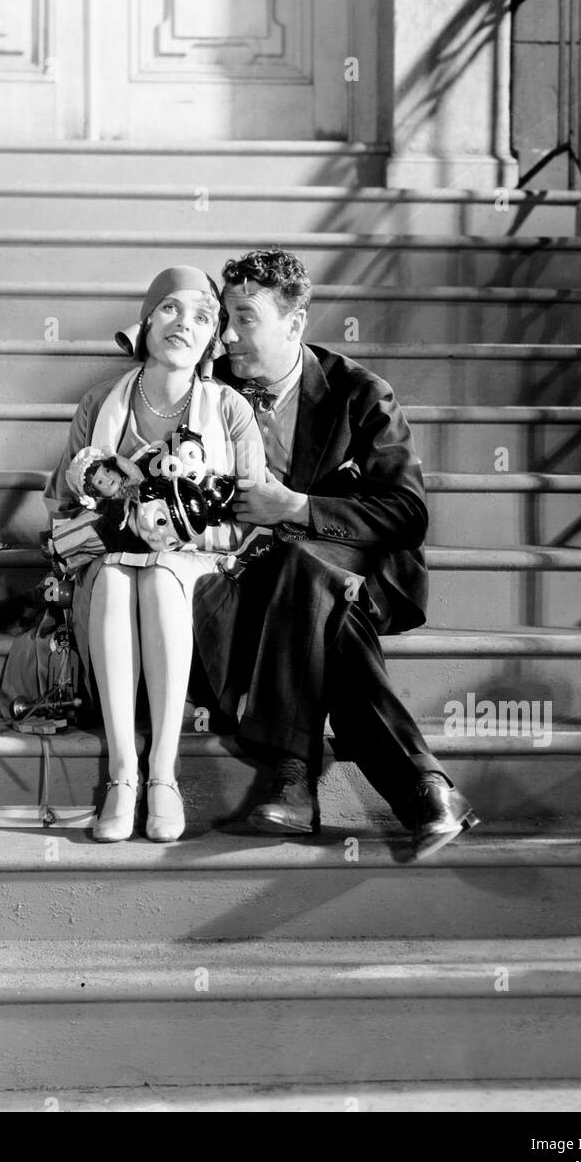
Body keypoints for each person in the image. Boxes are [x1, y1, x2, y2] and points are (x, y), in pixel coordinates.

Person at [211, 247, 479, 860]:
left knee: (310, 573)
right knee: (317, 592)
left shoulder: (361, 393)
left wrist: (296, 508)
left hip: (354, 572)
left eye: (245, 318)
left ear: (295, 323)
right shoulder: (210, 389)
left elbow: (407, 515)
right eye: (224, 317)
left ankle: (291, 772)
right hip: (254, 584)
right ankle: (424, 787)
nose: (226, 336)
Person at [44, 266, 265, 844]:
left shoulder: (229, 410)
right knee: (118, 575)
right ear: (144, 324)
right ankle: (123, 774)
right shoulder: (99, 403)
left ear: (213, 339)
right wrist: (115, 515)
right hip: (110, 569)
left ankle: (163, 774)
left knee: (162, 573)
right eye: (170, 309)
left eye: (201, 316)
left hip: (202, 574)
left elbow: (254, 519)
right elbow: (63, 510)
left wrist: (178, 533)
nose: (183, 325)